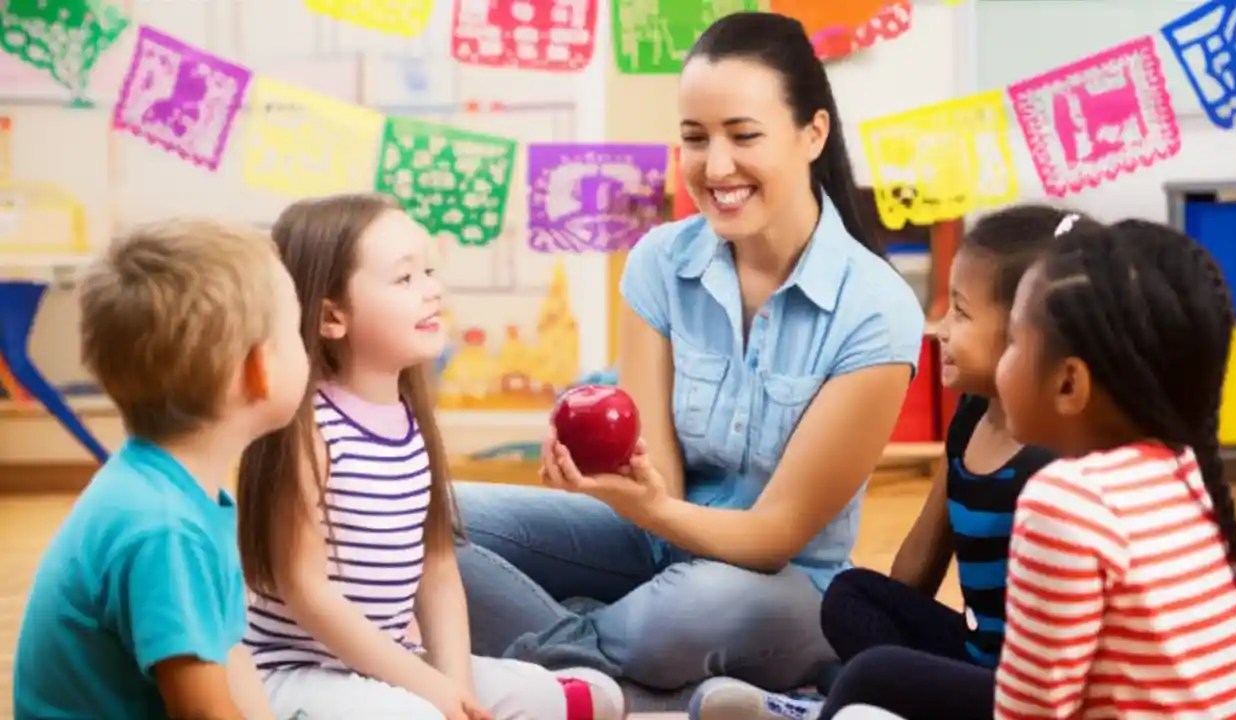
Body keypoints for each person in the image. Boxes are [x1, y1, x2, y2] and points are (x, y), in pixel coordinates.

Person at [454, 9, 925, 699]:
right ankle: (640, 688)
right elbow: (660, 485)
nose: (717, 166)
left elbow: (775, 534)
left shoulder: (877, 310)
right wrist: (623, 488)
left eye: (744, 136)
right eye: (694, 139)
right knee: (435, 517)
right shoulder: (659, 262)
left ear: (812, 132)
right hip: (652, 546)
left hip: (780, 587)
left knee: (705, 606)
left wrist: (648, 509)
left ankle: (541, 673)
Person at [235, 194, 625, 720]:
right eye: (405, 279)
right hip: (296, 677)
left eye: (429, 271)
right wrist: (431, 692)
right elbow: (307, 593)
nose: (432, 289)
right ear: (332, 316)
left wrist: (457, 687)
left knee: (597, 696)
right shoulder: (308, 430)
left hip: (394, 665)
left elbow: (438, 568)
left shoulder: (412, 421)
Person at [691, 206, 1084, 720]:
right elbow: (922, 554)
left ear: (1023, 333)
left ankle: (831, 707)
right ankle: (868, 697)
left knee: (874, 676)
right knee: (851, 595)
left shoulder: (1054, 460)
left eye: (961, 314)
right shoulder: (970, 419)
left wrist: (889, 668)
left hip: (1030, 696)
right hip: (979, 659)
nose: (941, 329)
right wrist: (893, 637)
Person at [13, 219, 304, 719]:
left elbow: (228, 654)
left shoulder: (174, 490)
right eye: (295, 333)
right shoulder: (164, 528)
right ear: (259, 370)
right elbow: (207, 713)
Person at [991, 219, 1236, 717]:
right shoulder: (1184, 471)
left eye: (1012, 340)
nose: (1002, 358)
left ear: (1068, 384)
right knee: (881, 674)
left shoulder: (1068, 501)